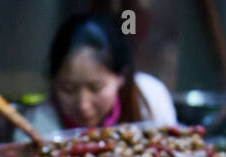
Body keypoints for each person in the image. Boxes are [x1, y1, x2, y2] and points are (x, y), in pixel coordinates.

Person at [24, 13, 176, 138]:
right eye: (68, 89)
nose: (83, 105)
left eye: (96, 87)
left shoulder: (151, 98)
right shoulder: (37, 125)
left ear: (121, 76)